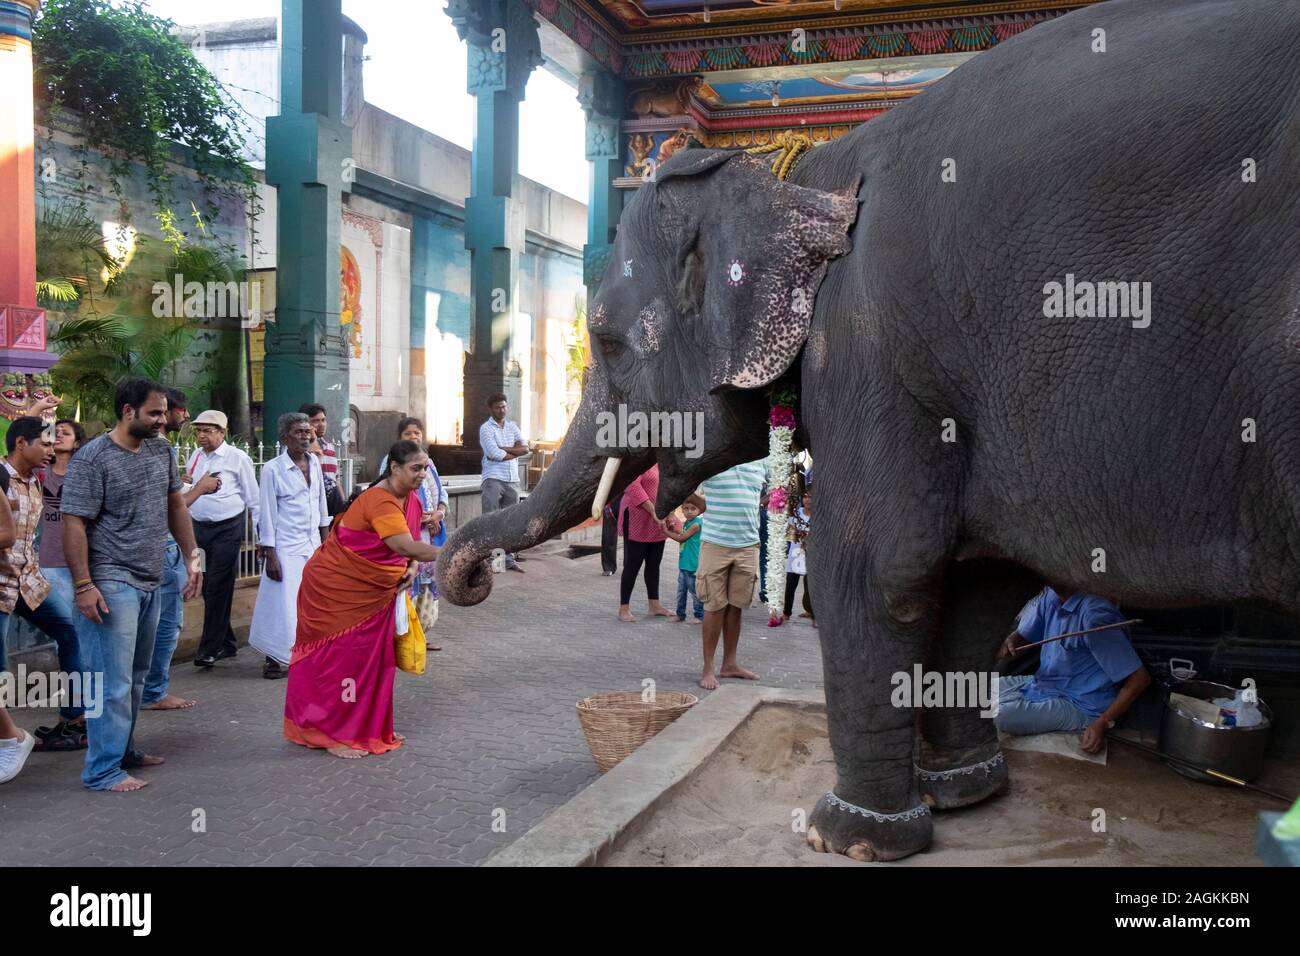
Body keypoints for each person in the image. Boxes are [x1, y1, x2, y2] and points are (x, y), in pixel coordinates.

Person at [62, 378, 203, 792]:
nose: (164, 420)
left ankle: (122, 751)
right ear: (128, 411)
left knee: (138, 677)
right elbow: (74, 523)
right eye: (154, 413)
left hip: (152, 576)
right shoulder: (94, 458)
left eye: (164, 413)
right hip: (110, 578)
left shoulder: (160, 449)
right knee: (111, 681)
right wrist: (84, 584)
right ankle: (101, 771)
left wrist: (193, 558)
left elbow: (175, 503)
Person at [284, 440, 440, 759]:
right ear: (395, 468)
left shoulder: (407, 498)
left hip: (376, 594)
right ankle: (331, 733)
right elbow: (404, 545)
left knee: (374, 662)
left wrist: (410, 566)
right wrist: (455, 553)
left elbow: (407, 546)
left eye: (426, 467)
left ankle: (366, 727)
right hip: (336, 592)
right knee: (340, 664)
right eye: (416, 468)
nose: (423, 474)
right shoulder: (380, 501)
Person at [0, 417, 87, 751]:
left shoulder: (34, 480)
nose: (51, 450)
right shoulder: (0, 478)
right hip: (1, 585)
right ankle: (8, 738)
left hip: (29, 582)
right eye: (45, 444)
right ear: (21, 443)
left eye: (53, 444)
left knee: (72, 632)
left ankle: (74, 718)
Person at [996, 586, 1151, 753]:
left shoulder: (1095, 616)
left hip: (1079, 703)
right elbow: (1023, 635)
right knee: (971, 690)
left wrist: (1103, 723)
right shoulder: (1050, 595)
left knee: (996, 715)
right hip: (1042, 683)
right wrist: (1011, 640)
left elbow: (1139, 679)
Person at [249, 413, 331, 679]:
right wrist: (270, 553)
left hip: (311, 544)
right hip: (284, 545)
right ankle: (273, 658)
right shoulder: (273, 469)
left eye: (308, 432)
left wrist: (326, 541)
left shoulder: (315, 464)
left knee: (312, 602)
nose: (306, 436)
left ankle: (308, 653)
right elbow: (267, 513)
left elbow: (321, 506)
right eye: (299, 432)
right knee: (281, 603)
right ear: (285, 437)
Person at [185, 410, 259, 669]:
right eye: (198, 430)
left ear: (221, 432)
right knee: (204, 586)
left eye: (207, 430)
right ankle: (226, 641)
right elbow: (189, 488)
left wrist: (261, 537)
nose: (201, 436)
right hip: (198, 531)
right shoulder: (194, 457)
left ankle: (209, 649)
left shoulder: (237, 458)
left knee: (219, 585)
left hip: (228, 530)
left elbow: (254, 498)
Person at [141, 389, 196, 710]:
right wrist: (200, 488)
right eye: (180, 411)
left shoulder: (157, 449)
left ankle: (149, 691)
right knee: (165, 624)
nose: (181, 417)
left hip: (166, 548)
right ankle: (153, 692)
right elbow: (172, 507)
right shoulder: (157, 448)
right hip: (159, 549)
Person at [695, 460, 767, 690]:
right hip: (715, 543)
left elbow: (778, 488)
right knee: (714, 607)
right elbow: (683, 482)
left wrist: (758, 505)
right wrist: (703, 506)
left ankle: (730, 664)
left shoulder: (762, 458)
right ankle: (708, 668)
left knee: (736, 606)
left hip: (748, 545)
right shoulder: (715, 454)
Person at [378, 417, 448, 651]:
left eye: (417, 433)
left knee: (427, 585)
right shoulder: (391, 464)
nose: (414, 437)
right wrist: (417, 519)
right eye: (409, 434)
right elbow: (391, 499)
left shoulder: (430, 463)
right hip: (406, 534)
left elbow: (440, 493)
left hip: (431, 531)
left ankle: (420, 635)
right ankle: (401, 638)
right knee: (406, 583)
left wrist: (438, 513)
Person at [616, 465, 674, 623]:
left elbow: (668, 486)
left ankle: (654, 605)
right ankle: (624, 608)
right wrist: (653, 511)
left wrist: (670, 512)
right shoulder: (637, 460)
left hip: (658, 519)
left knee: (654, 564)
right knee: (632, 564)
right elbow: (632, 486)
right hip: (637, 517)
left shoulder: (661, 461)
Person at [478, 393, 529, 572]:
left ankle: (508, 561)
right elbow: (494, 454)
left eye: (504, 406)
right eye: (498, 407)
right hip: (493, 478)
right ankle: (491, 562)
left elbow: (525, 448)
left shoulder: (512, 427)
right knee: (491, 521)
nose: (502, 410)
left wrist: (505, 449)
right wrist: (514, 451)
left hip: (512, 480)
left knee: (509, 522)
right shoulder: (486, 429)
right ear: (491, 409)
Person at [772, 490, 813, 627]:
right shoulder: (795, 513)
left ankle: (812, 613)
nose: (807, 500)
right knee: (790, 585)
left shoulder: (819, 516)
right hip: (795, 556)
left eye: (811, 497)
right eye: (805, 496)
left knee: (811, 587)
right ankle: (787, 612)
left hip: (811, 557)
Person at [664, 498, 705, 624]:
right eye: (686, 509)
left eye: (693, 509)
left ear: (699, 510)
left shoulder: (696, 524)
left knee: (694, 592)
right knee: (681, 591)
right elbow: (681, 533)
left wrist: (665, 532)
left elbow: (682, 538)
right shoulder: (687, 523)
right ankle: (680, 614)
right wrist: (672, 530)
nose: (689, 512)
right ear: (682, 510)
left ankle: (699, 615)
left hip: (693, 565)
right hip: (684, 564)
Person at [300, 402, 345, 516]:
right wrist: (312, 439)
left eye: (323, 420)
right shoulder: (299, 450)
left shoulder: (330, 448)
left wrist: (344, 505)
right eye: (315, 421)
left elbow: (336, 480)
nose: (321, 424)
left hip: (331, 504)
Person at [600, 490, 622, 577]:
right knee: (608, 534)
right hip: (611, 497)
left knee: (631, 534)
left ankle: (631, 565)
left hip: (630, 494)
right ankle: (608, 567)